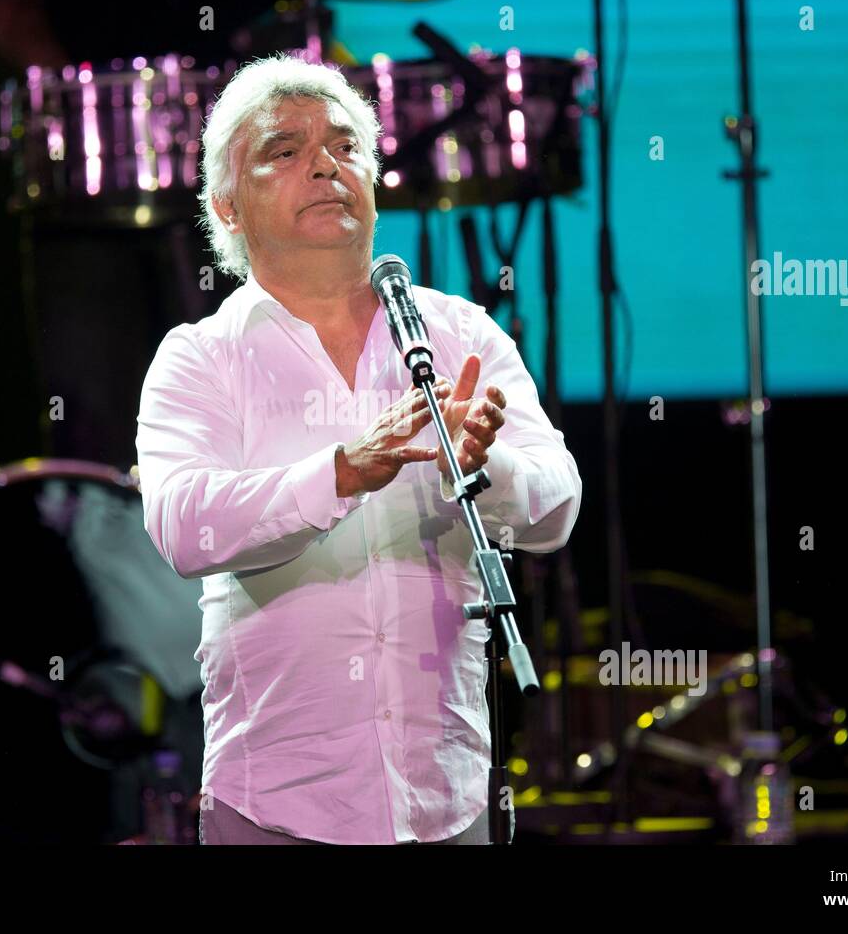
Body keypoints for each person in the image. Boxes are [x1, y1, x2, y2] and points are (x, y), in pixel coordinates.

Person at [136, 54, 582, 844]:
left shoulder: (459, 333)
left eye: (347, 147)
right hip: (276, 805)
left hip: (448, 800)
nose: (325, 165)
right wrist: (342, 473)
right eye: (285, 151)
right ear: (228, 208)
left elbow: (555, 509)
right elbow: (184, 527)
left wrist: (484, 468)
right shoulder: (198, 357)